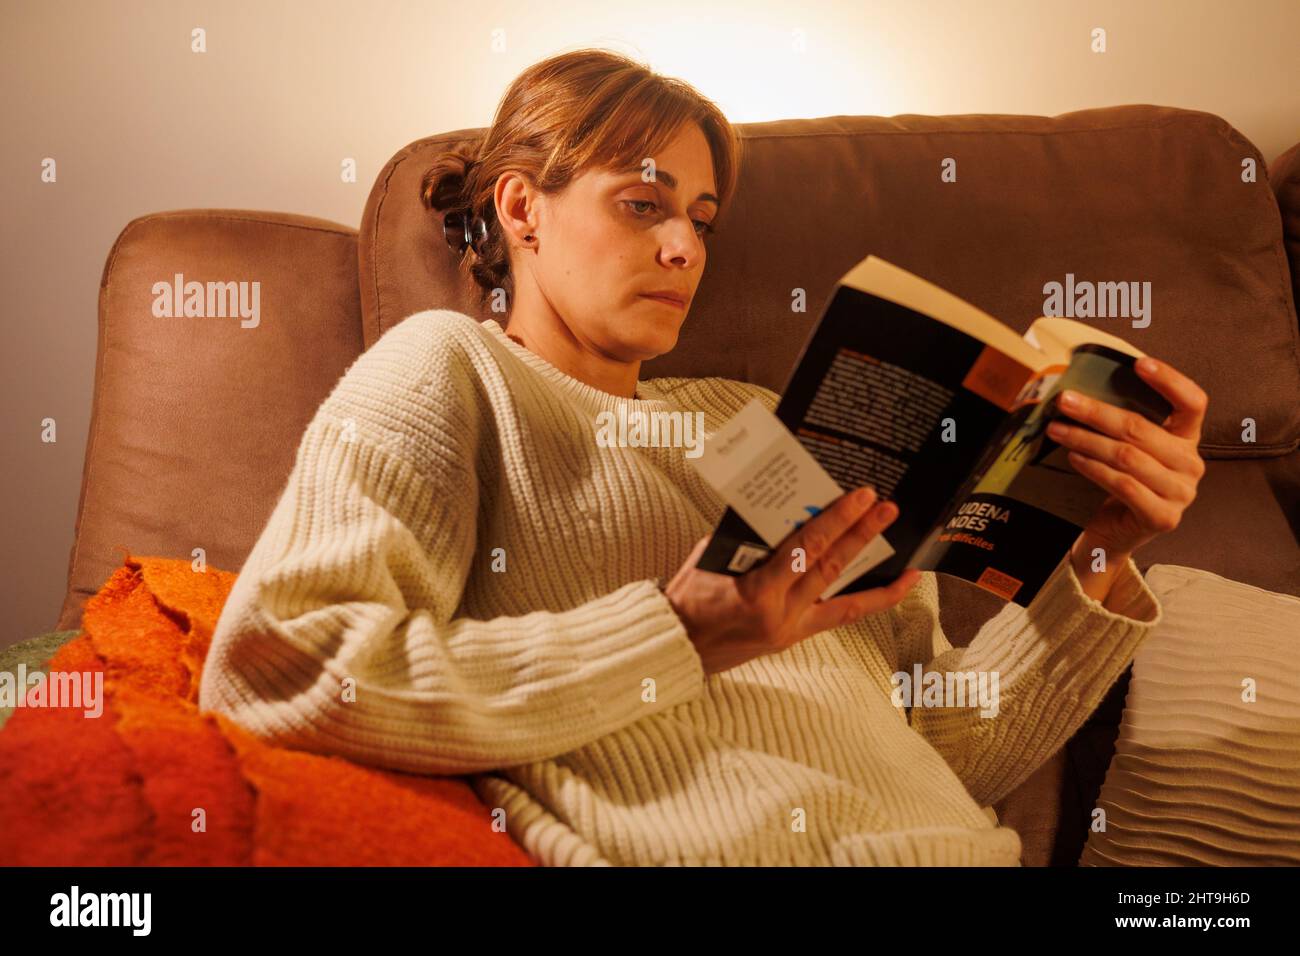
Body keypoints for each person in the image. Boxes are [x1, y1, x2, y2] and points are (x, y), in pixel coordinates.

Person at [197, 48, 1208, 866]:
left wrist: (1098, 552)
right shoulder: (448, 370)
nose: (685, 246)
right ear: (520, 209)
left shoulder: (758, 419)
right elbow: (280, 664)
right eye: (644, 204)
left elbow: (944, 748)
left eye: (703, 219)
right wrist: (681, 631)